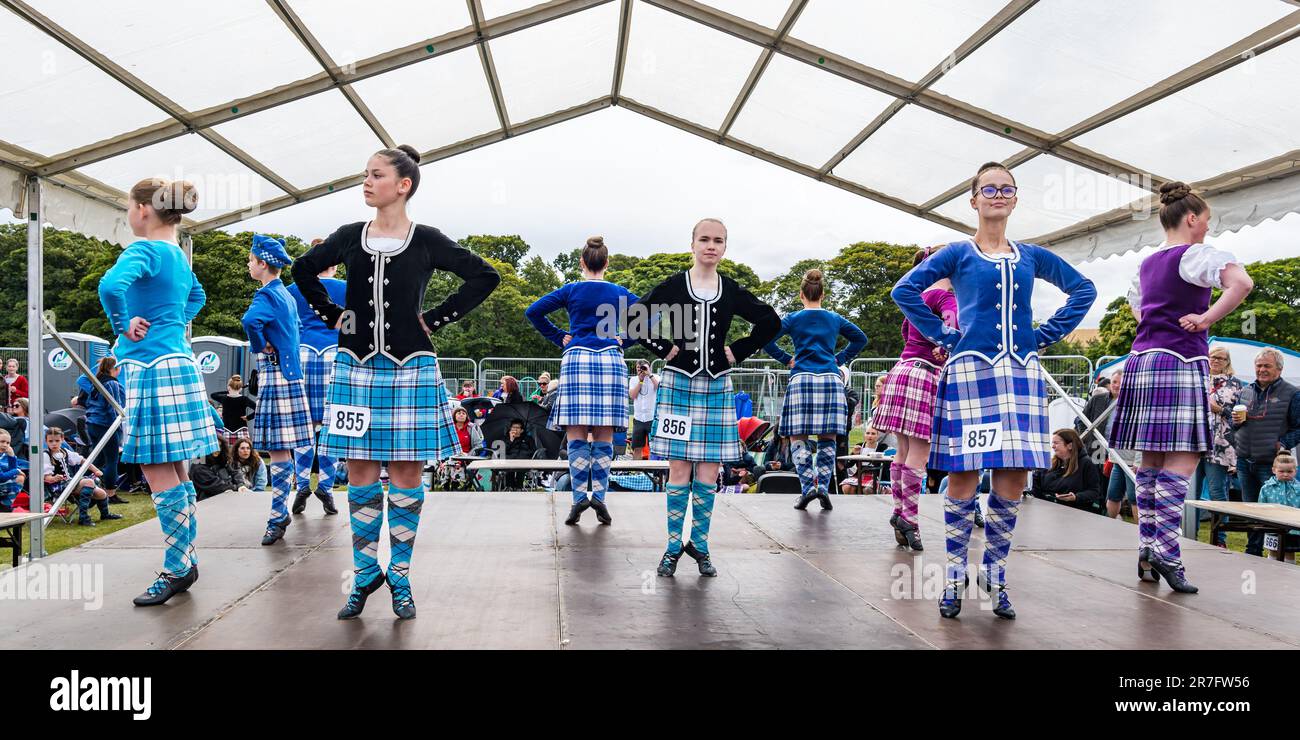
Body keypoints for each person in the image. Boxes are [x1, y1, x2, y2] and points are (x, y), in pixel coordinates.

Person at [292, 144, 499, 620]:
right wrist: (332, 314)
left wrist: (437, 318)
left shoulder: (425, 239)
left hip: (412, 369)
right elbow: (304, 271)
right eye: (365, 174)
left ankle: (400, 574)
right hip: (355, 367)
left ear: (402, 185)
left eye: (375, 175)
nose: (366, 182)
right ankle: (365, 574)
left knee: (407, 474)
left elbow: (483, 276)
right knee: (360, 472)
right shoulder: (348, 236)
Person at [892, 161, 1097, 620]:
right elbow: (905, 291)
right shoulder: (957, 254)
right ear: (973, 199)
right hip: (970, 374)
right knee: (963, 475)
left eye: (1006, 189)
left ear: (1016, 198)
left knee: (1013, 478)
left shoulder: (1031, 256)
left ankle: (996, 575)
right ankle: (953, 577)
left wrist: (1044, 333)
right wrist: (946, 336)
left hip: (1021, 374)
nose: (998, 195)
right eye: (989, 188)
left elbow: (1083, 289)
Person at [1110, 183, 1254, 592]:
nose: (1207, 228)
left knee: (1151, 462)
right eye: (1206, 221)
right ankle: (1168, 553)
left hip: (1143, 360)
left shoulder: (1146, 265)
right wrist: (1206, 318)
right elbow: (1241, 284)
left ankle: (1148, 549)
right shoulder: (1197, 254)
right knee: (1184, 461)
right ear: (1191, 218)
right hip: (1181, 360)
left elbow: (1139, 312)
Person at [629, 217, 781, 578]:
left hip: (716, 387)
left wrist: (737, 351)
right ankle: (671, 547)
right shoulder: (673, 286)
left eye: (718, 241)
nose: (711, 246)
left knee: (710, 472)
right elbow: (632, 320)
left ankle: (700, 544)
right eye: (705, 239)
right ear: (693, 244)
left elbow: (770, 322)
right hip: (679, 384)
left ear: (725, 247)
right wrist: (664, 348)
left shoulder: (730, 290)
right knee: (679, 468)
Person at [98, 177, 219, 605]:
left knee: (156, 470)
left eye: (129, 207)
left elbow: (109, 288)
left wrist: (124, 324)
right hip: (177, 360)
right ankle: (183, 560)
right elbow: (198, 296)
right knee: (178, 470)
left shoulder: (144, 249)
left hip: (150, 364)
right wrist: (170, 323)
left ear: (144, 210)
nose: (129, 214)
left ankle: (176, 567)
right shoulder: (177, 256)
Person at [526, 236, 638, 526]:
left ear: (582, 262)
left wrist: (558, 336)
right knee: (603, 432)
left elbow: (533, 311)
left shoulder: (571, 290)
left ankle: (578, 499)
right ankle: (599, 496)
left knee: (576, 433)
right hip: (610, 360)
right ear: (607, 263)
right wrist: (624, 339)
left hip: (577, 359)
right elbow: (651, 317)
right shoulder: (618, 292)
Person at [763, 269, 868, 512]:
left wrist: (786, 359)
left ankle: (808, 486)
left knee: (797, 436)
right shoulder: (834, 318)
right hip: (830, 379)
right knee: (828, 436)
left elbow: (766, 340)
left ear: (802, 294)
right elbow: (860, 338)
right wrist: (838, 359)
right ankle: (823, 486)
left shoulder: (793, 318)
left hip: (802, 378)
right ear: (823, 293)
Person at [875, 245, 957, 550]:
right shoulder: (944, 296)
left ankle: (900, 512)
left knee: (902, 452)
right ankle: (909, 518)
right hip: (924, 375)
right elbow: (952, 324)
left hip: (902, 371)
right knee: (919, 455)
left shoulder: (917, 298)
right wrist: (948, 342)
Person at [242, 234, 315, 546]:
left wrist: (262, 347)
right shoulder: (285, 294)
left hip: (276, 375)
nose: (248, 264)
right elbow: (295, 329)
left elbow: (250, 322)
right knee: (283, 450)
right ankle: (278, 513)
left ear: (262, 263)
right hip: (291, 375)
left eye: (251, 260)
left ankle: (278, 515)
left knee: (278, 450)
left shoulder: (266, 297)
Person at [287, 242, 346, 517]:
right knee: (333, 424)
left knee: (302, 424)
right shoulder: (347, 289)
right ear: (334, 263)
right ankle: (326, 484)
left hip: (302, 354)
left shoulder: (292, 290)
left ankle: (301, 482)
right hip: (334, 355)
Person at [1231, 348, 1300, 556]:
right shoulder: (1245, 391)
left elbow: (1299, 427)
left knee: (1274, 512)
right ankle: (1252, 552)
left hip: (1272, 463)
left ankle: (1278, 554)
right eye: (1259, 365)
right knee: (1251, 509)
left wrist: (1283, 443)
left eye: (1267, 366)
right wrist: (1236, 424)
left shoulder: (1292, 393)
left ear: (1279, 368)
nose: (1261, 369)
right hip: (1245, 460)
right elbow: (1236, 426)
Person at [1193, 346, 1242, 544]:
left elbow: (1237, 417)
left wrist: (1219, 409)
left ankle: (1219, 538)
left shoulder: (1235, 384)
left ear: (1227, 361)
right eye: (1212, 357)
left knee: (1217, 493)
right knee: (1191, 494)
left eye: (1220, 358)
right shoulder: (1198, 378)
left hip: (1219, 447)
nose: (1215, 361)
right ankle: (1190, 534)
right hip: (1194, 445)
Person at [43, 427, 121, 526]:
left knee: (101, 493)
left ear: (62, 439)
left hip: (70, 483)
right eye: (50, 441)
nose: (54, 443)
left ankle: (105, 514)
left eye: (57, 440)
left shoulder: (65, 451)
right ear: (46, 441)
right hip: (57, 486)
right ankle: (83, 518)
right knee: (89, 482)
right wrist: (54, 478)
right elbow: (46, 478)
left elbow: (82, 460)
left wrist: (96, 470)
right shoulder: (46, 455)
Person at [83, 356, 127, 505]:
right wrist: (118, 426)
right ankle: (110, 493)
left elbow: (88, 402)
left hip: (92, 423)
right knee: (112, 460)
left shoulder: (97, 382)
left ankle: (83, 486)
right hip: (105, 425)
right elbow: (113, 407)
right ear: (114, 368)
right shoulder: (112, 383)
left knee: (98, 459)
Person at [1029, 429, 1102, 512]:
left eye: (1056, 443)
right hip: (1046, 510)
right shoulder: (1051, 463)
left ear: (1070, 445)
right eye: (1052, 443)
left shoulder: (1087, 463)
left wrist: (1075, 497)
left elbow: (1094, 492)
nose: (1052, 446)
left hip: (1073, 513)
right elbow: (1037, 487)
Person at [1259, 452, 1299, 561]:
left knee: (1289, 552)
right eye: (1281, 471)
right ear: (1274, 470)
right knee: (1273, 551)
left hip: (1293, 529)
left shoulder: (1299, 489)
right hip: (1272, 526)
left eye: (1289, 471)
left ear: (1295, 471)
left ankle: (1288, 575)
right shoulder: (1266, 488)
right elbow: (1260, 507)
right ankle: (1271, 573)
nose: (1285, 474)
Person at [628, 360, 659, 460]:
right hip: (639, 418)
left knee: (654, 447)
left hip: (651, 417)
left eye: (643, 368)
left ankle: (654, 472)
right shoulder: (633, 379)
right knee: (637, 447)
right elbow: (632, 395)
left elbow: (659, 388)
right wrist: (640, 381)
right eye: (638, 368)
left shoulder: (655, 377)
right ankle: (637, 472)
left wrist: (649, 374)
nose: (640, 370)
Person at [209, 375, 256, 440]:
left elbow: (213, 395)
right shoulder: (244, 399)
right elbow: (258, 408)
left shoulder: (224, 398)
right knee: (242, 448)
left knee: (227, 449)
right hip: (241, 428)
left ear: (228, 387)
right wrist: (248, 417)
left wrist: (228, 391)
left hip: (226, 428)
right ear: (240, 388)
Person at [0, 430, 25, 512]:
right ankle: (4, 507)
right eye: (2, 441)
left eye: (8, 443)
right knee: (18, 477)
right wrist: (17, 471)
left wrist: (12, 456)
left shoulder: (5, 455)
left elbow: (13, 474)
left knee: (19, 478)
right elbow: (2, 477)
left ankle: (5, 506)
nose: (5, 445)